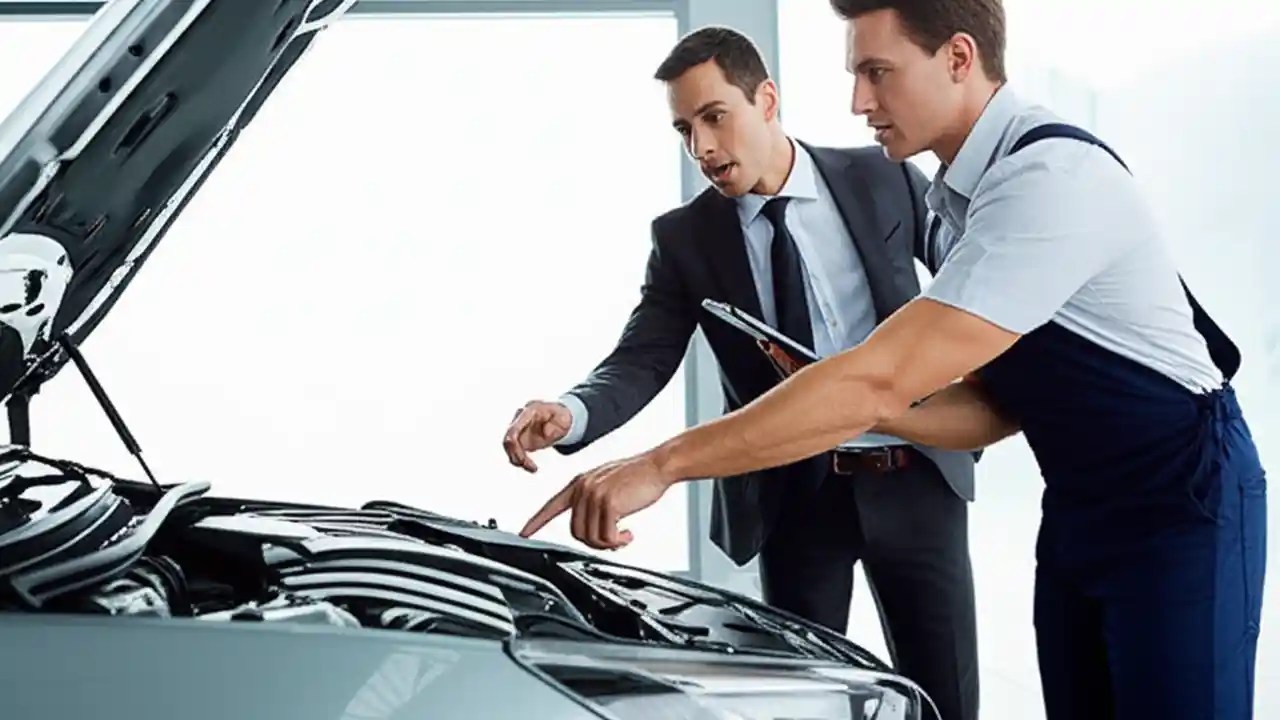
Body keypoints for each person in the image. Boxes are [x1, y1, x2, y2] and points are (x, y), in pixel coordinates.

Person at [518, 2, 1267, 720]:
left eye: (877, 72)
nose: (858, 101)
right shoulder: (958, 198)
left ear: (958, 57)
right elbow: (999, 403)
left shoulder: (1044, 181)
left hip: (1177, 492)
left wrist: (661, 465)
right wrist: (871, 411)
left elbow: (879, 378)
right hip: (1072, 497)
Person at [502, 25, 979, 720]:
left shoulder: (882, 176)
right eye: (684, 130)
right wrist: (572, 412)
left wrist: (988, 407)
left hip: (916, 478)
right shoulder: (684, 238)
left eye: (714, 117)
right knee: (807, 706)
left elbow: (977, 291)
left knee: (948, 699)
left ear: (767, 101)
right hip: (795, 496)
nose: (701, 147)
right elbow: (642, 356)